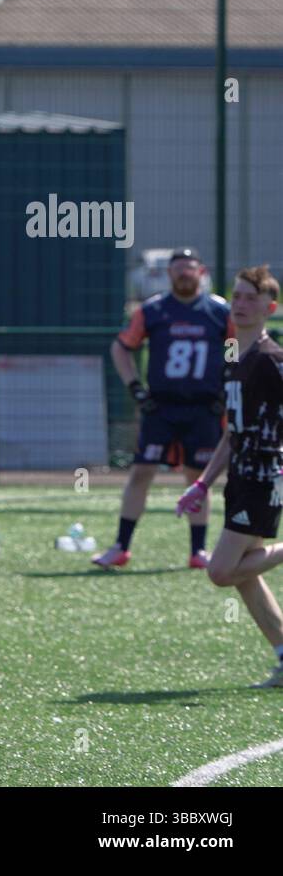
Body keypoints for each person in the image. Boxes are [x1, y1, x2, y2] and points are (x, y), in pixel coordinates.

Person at [175, 265, 283, 687]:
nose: (240, 304)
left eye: (250, 298)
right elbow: (232, 434)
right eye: (236, 296)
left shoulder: (272, 360)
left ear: (269, 308)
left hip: (263, 477)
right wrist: (202, 483)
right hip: (240, 478)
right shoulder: (235, 356)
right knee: (244, 575)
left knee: (221, 571)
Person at [93, 249, 233, 570]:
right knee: (141, 471)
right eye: (178, 269)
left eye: (189, 269)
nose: (184, 274)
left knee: (198, 478)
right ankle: (121, 546)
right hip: (162, 407)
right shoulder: (153, 310)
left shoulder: (217, 311)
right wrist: (135, 388)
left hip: (203, 407)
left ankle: (198, 551)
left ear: (202, 272)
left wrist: (227, 386)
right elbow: (121, 347)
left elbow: (235, 348)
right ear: (169, 274)